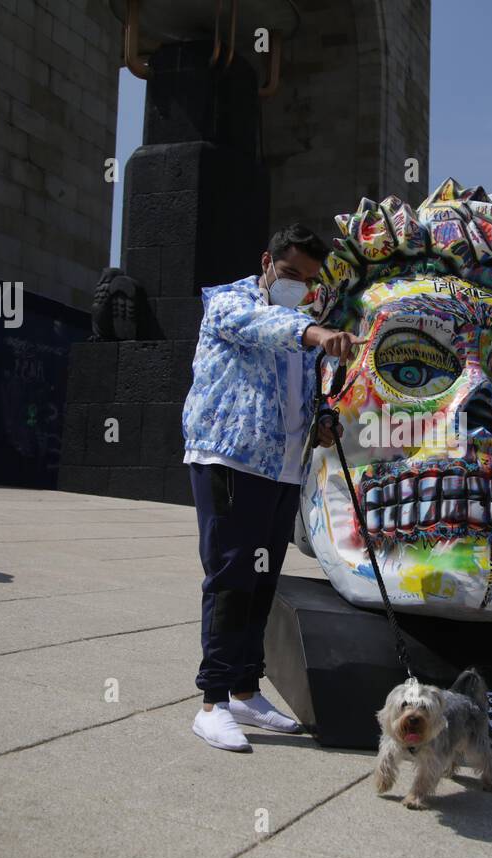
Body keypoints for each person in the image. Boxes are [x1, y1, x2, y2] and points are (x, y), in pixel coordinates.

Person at [182, 223, 358, 752]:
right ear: (266, 262)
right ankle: (212, 702)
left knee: (262, 582)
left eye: (308, 279)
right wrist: (317, 333)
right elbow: (264, 327)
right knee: (231, 579)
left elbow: (306, 389)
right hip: (232, 458)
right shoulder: (229, 302)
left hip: (283, 469)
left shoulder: (302, 324)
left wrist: (322, 419)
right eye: (289, 273)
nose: (298, 286)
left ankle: (244, 690)